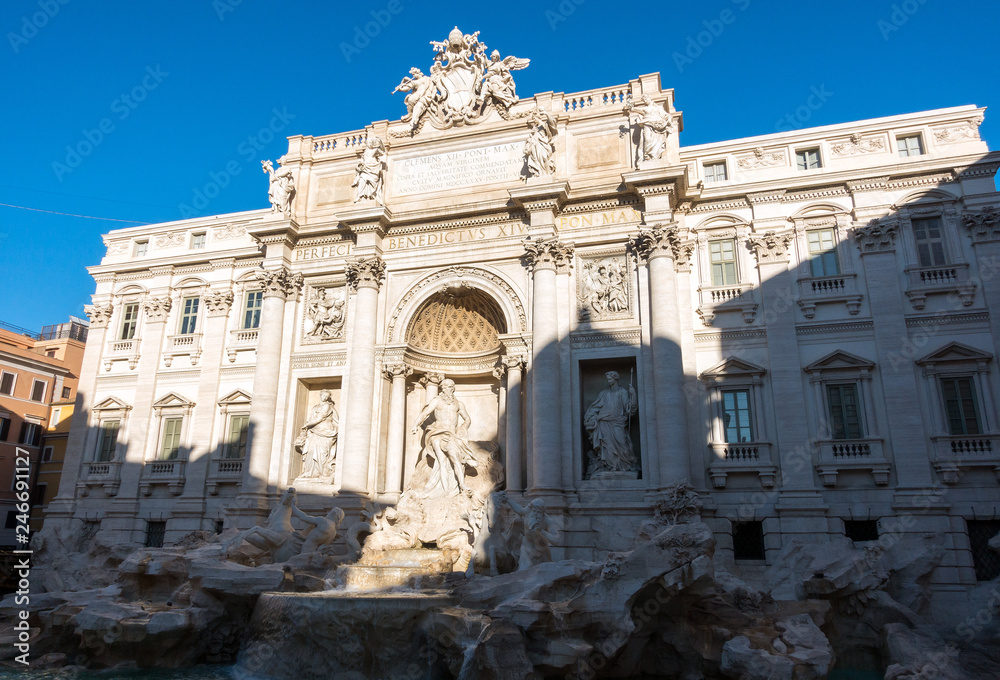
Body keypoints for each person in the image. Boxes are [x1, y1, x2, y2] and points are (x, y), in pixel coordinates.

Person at [411, 378, 478, 497]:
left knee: (455, 457)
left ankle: (462, 485)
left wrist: (462, 429)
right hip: (437, 433)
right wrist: (416, 425)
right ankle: (445, 490)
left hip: (452, 434)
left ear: (453, 388)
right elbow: (425, 413)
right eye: (445, 386)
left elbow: (467, 419)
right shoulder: (436, 401)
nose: (447, 388)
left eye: (450, 386)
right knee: (441, 461)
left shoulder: (459, 404)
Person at [584, 371, 639, 473]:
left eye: (610, 379)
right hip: (604, 422)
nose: (608, 381)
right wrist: (591, 417)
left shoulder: (622, 392)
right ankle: (610, 467)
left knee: (622, 443)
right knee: (607, 446)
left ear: (616, 379)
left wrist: (633, 395)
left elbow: (629, 409)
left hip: (618, 422)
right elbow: (595, 407)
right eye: (608, 379)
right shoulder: (604, 393)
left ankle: (624, 466)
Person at [295, 390, 338, 480]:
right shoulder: (316, 407)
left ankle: (321, 473)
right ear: (320, 395)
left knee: (322, 453)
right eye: (324, 395)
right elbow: (312, 418)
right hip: (314, 431)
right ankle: (308, 472)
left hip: (325, 431)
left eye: (327, 396)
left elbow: (319, 418)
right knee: (310, 450)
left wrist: (307, 425)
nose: (325, 397)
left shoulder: (326, 406)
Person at [624, 95, 672, 166]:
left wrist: (668, 120)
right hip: (647, 123)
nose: (645, 101)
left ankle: (654, 155)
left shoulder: (658, 108)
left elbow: (666, 115)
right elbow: (632, 109)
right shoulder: (644, 109)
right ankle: (647, 156)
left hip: (657, 125)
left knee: (656, 141)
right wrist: (629, 100)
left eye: (646, 99)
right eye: (644, 100)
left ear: (650, 98)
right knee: (647, 139)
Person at [352, 137, 386, 203]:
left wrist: (378, 148)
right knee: (362, 181)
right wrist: (360, 164)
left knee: (372, 182)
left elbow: (382, 153)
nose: (369, 144)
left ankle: (371, 195)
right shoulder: (365, 152)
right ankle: (360, 196)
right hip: (365, 167)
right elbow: (362, 159)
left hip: (373, 167)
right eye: (368, 143)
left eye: (370, 143)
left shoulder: (375, 149)